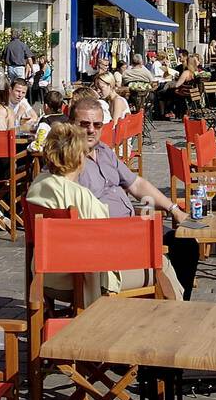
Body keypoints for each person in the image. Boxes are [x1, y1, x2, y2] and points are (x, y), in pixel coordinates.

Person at [26, 123, 182, 303]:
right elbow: (107, 246)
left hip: (46, 277)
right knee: (163, 263)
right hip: (82, 281)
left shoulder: (38, 185)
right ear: (79, 158)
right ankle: (176, 320)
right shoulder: (81, 196)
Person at [70, 98, 199, 298]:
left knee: (186, 242)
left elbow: (137, 184)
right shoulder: (68, 162)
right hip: (108, 237)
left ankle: (179, 303)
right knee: (171, 254)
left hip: (132, 225)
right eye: (84, 124)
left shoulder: (104, 152)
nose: (91, 130)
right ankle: (171, 303)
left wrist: (174, 209)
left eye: (97, 125)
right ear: (71, 125)